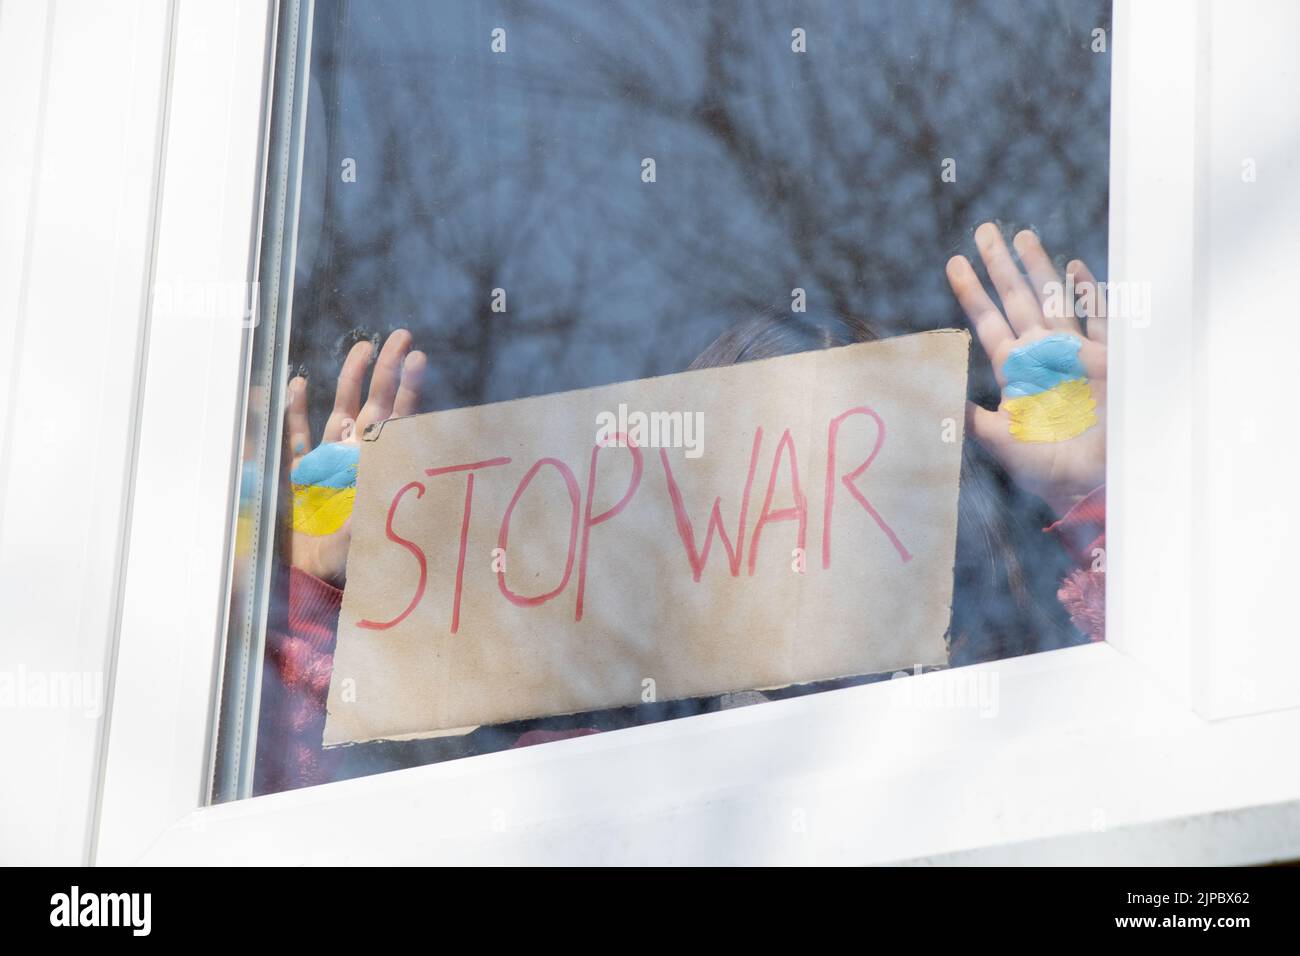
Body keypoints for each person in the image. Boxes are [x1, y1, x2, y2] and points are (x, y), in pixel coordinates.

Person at [254, 222, 1106, 794]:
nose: (796, 525)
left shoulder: (998, 707)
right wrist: (331, 611)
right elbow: (321, 837)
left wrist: (1087, 502)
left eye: (858, 488)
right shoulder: (583, 780)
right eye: (754, 489)